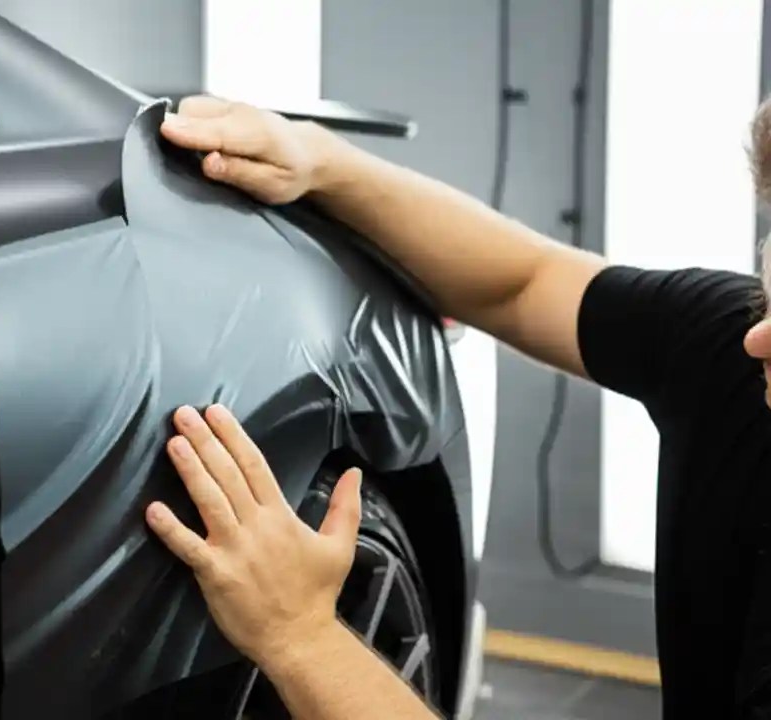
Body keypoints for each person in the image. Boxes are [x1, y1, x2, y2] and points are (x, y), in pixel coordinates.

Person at [144, 94, 771, 719]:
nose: (758, 339)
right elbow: (524, 281)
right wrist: (321, 161)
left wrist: (301, 635)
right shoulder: (734, 345)